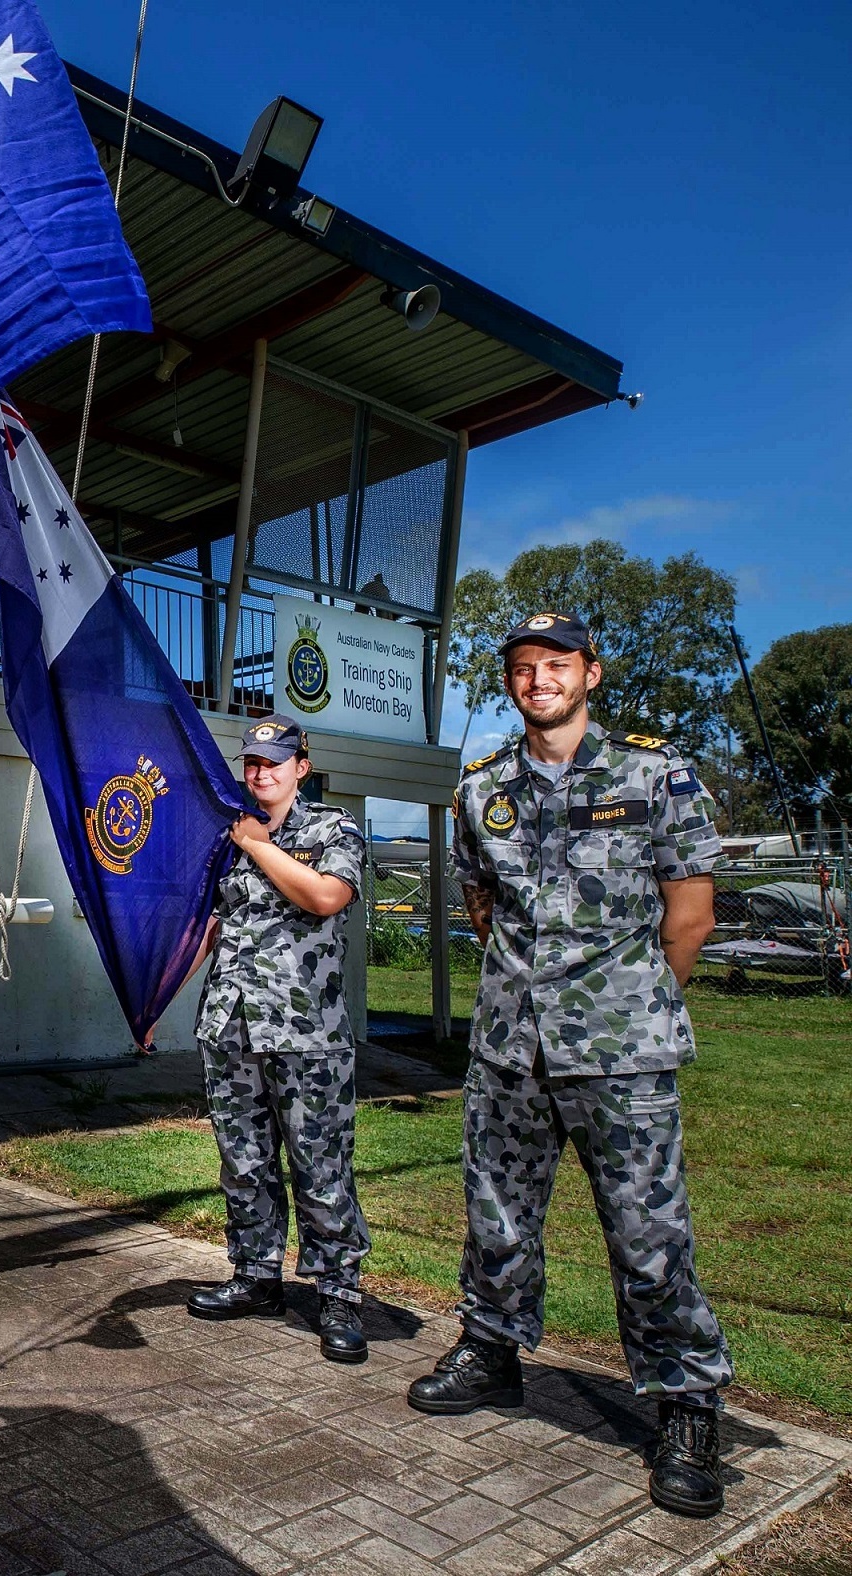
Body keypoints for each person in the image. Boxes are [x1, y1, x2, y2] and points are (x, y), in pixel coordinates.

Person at [410, 610, 729, 1520]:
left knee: (647, 1233)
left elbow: (691, 917)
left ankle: (687, 1405)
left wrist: (625, 1006)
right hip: (511, 1047)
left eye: (556, 663)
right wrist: (534, 1000)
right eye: (522, 666)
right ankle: (494, 1351)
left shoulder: (653, 775)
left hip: (621, 1052)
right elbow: (483, 907)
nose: (537, 678)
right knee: (498, 1214)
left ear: (590, 672)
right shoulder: (483, 788)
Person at [184, 715, 372, 1362]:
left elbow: (324, 896)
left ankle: (339, 1295)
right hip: (230, 1025)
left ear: (302, 765)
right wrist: (153, 998)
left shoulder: (332, 828)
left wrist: (259, 845)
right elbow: (208, 927)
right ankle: (256, 1274)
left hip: (305, 1033)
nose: (261, 773)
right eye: (253, 763)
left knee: (321, 1167)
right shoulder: (226, 837)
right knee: (244, 1161)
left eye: (274, 762)